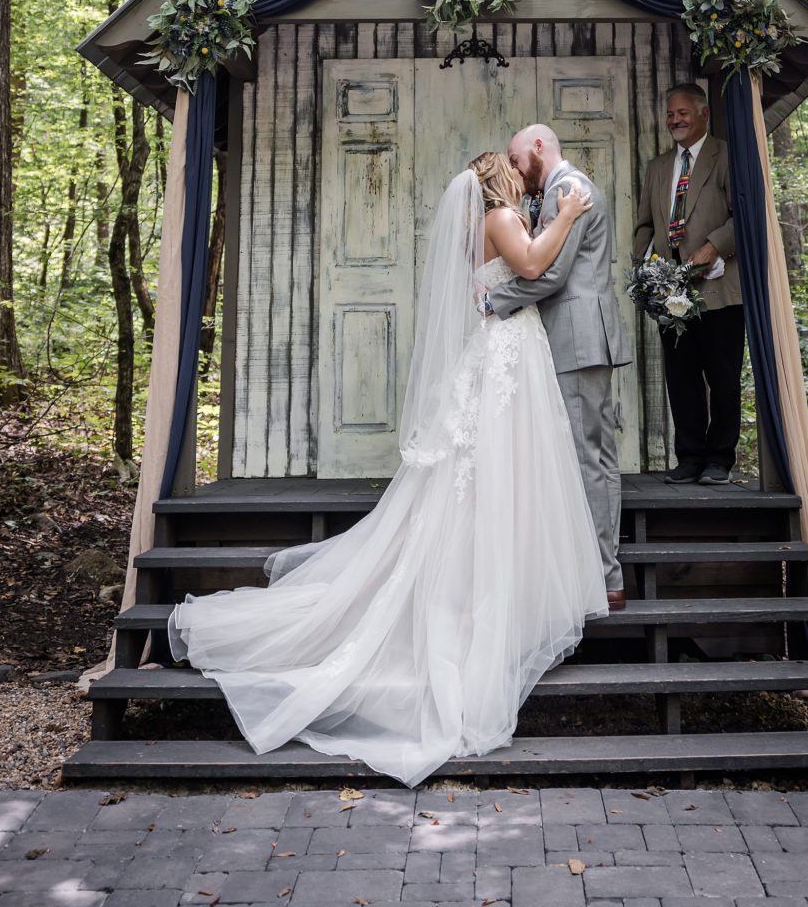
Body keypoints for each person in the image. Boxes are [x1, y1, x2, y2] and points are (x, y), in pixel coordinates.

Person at [167, 154, 608, 787]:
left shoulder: (478, 225)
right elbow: (535, 265)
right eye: (511, 170)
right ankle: (479, 611)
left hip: (508, 355)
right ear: (497, 184)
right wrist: (566, 214)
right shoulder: (504, 216)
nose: (520, 175)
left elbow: (498, 286)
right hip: (509, 360)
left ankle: (498, 598)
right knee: (490, 482)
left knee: (491, 482)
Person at [483, 125, 633, 610]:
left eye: (516, 155)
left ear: (539, 148)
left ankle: (607, 578)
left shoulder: (569, 190)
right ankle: (588, 570)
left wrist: (494, 300)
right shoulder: (552, 193)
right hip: (571, 339)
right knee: (585, 457)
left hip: (579, 339)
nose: (513, 166)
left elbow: (550, 275)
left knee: (590, 459)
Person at [633, 82, 744, 486]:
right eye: (669, 114)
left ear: (703, 114)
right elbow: (644, 226)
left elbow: (745, 215)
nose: (674, 121)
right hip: (671, 294)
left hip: (720, 288)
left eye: (682, 113)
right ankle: (691, 458)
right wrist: (644, 271)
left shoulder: (728, 157)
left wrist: (715, 246)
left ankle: (720, 459)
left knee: (723, 376)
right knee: (681, 379)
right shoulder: (658, 167)